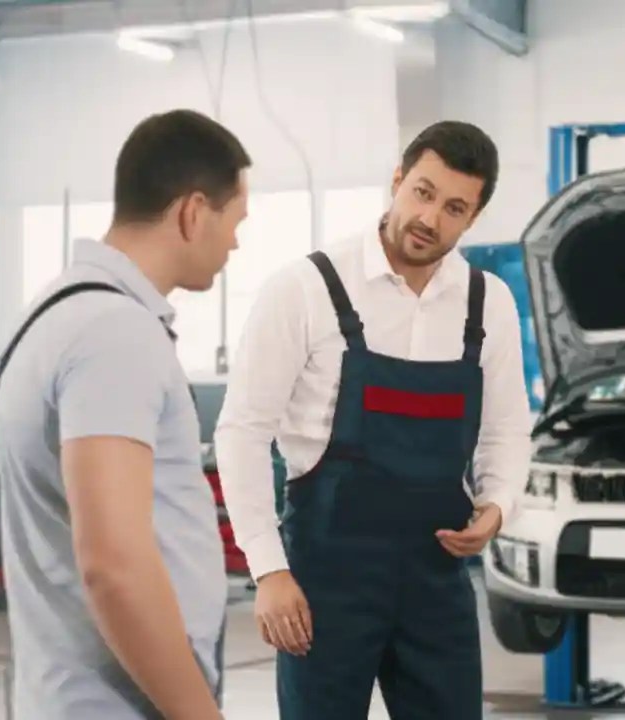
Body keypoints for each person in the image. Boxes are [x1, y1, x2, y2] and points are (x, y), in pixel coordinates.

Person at [214, 120, 533, 718]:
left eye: (455, 207)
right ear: (397, 180)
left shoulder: (488, 304)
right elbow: (242, 432)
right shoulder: (305, 289)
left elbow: (507, 431)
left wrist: (497, 505)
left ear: (474, 216)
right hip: (323, 586)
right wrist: (268, 571)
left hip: (437, 583)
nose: (431, 218)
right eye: (423, 192)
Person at [0, 109, 250, 720]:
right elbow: (114, 565)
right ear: (192, 213)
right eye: (235, 221)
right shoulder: (115, 334)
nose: (237, 243)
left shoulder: (48, 317)